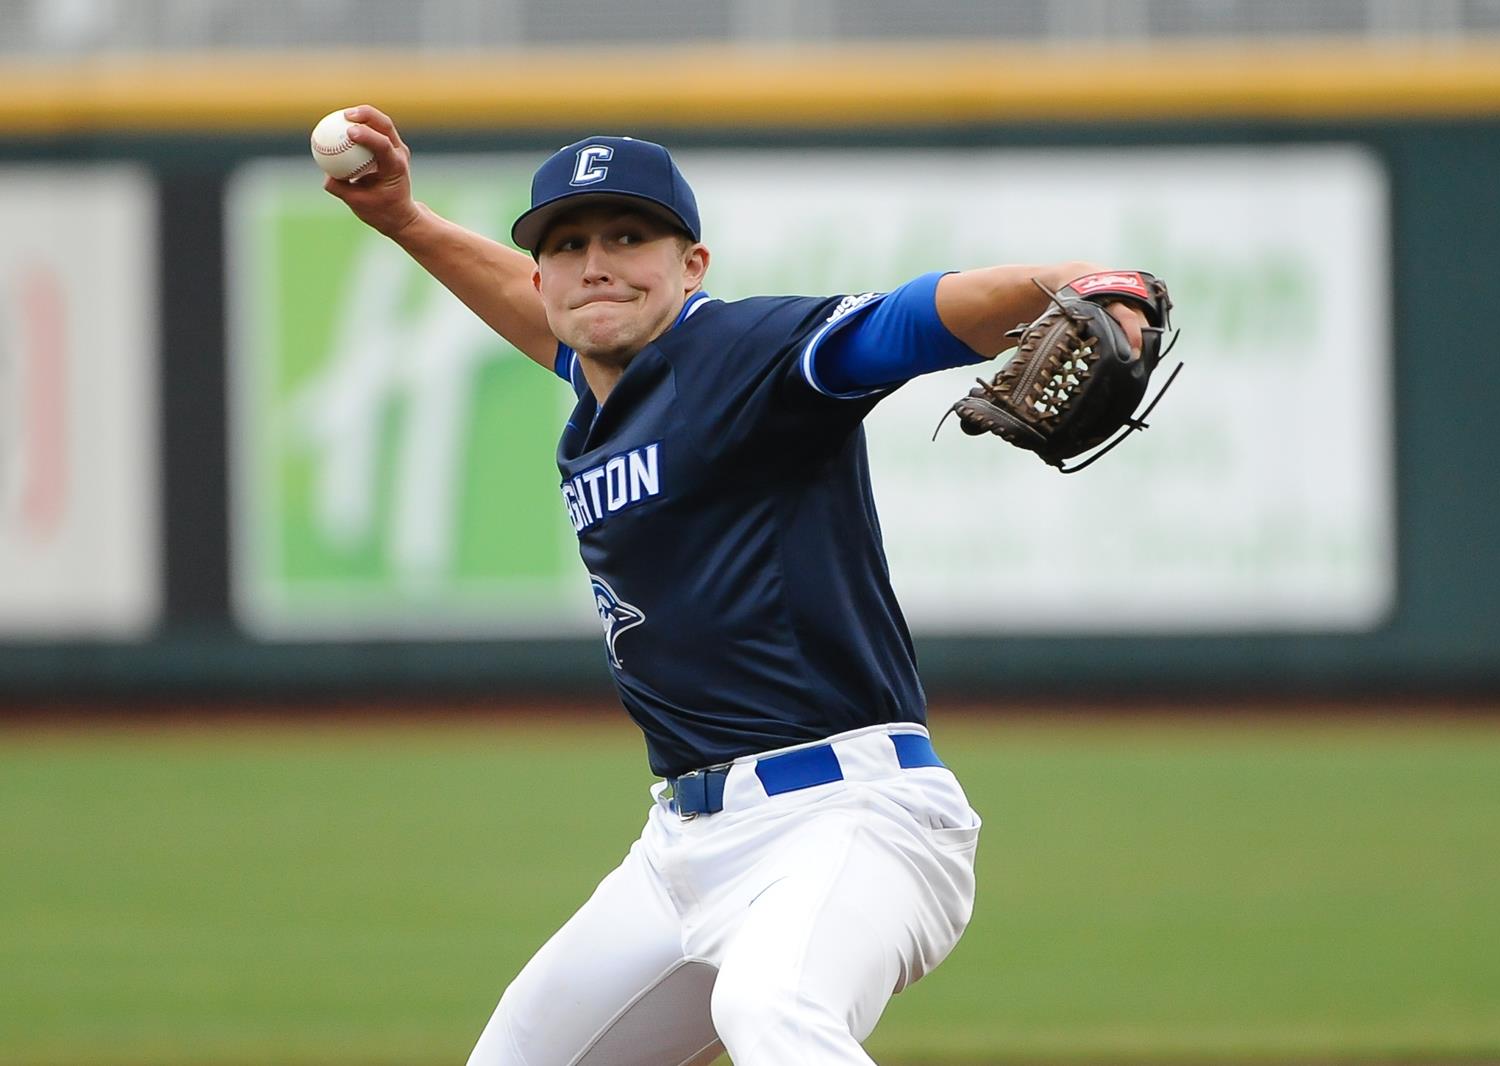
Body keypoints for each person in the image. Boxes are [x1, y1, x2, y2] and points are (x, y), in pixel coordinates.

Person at [324, 106, 1151, 1066]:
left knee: (773, 1015)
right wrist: (405, 221)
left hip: (851, 821)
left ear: (693, 267)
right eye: (570, 244)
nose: (598, 264)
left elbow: (905, 321)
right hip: (679, 851)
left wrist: (1073, 284)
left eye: (631, 238)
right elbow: (558, 322)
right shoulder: (606, 390)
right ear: (542, 274)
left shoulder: (743, 355)